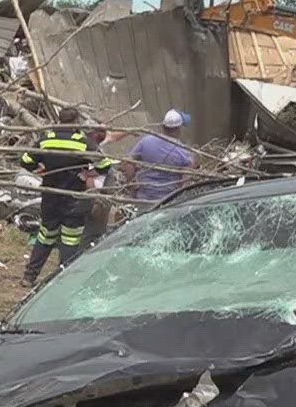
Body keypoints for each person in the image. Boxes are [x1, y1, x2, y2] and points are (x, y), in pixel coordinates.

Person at [19, 107, 114, 286]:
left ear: (59, 120)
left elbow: (25, 160)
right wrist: (88, 173)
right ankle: (62, 279)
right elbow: (105, 165)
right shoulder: (83, 143)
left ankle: (29, 276)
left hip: (51, 196)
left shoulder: (46, 140)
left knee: (45, 236)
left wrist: (41, 170)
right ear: (76, 122)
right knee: (70, 240)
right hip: (74, 198)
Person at [124, 109, 195, 206]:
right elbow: (184, 184)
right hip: (168, 201)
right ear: (178, 129)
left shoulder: (146, 142)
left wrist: (132, 184)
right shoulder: (183, 153)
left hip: (143, 198)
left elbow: (128, 162)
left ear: (163, 127)